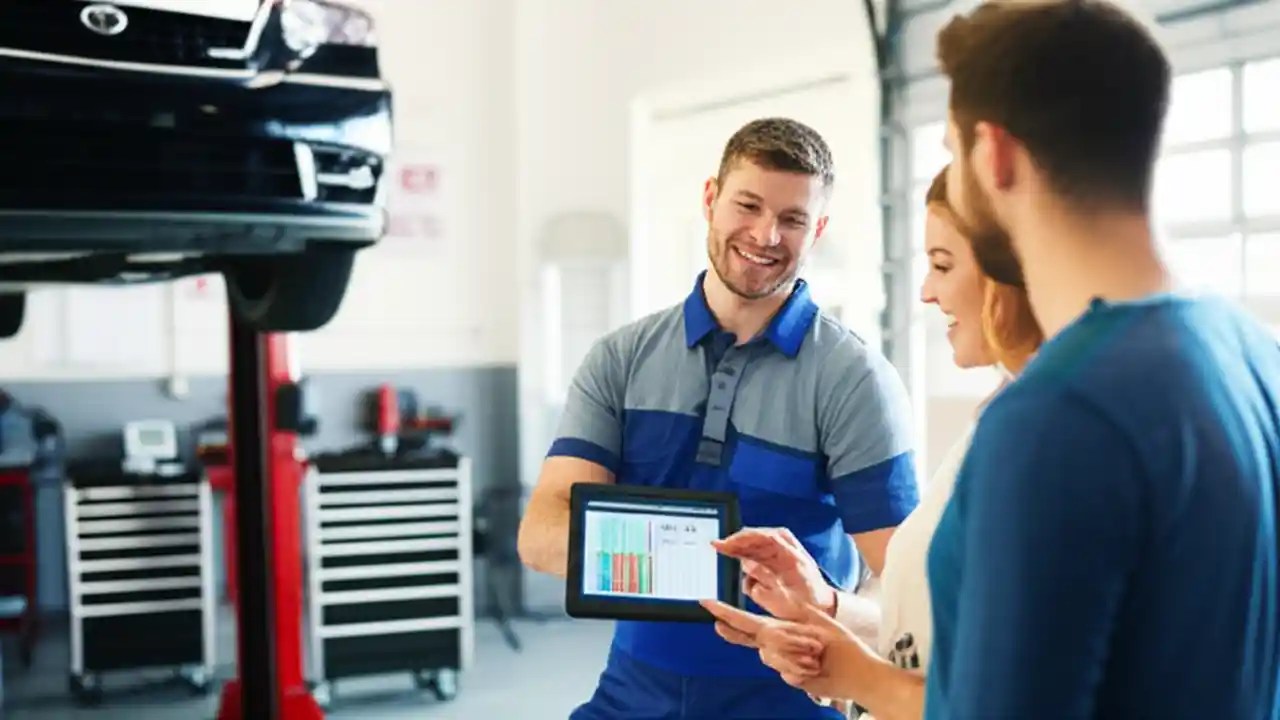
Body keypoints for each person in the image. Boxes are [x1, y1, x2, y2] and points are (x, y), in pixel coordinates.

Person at [516, 116, 921, 720]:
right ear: (711, 199)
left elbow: (906, 589)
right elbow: (542, 535)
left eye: (792, 219)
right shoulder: (621, 360)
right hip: (631, 693)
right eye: (748, 205)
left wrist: (826, 611)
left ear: (819, 230)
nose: (765, 234)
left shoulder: (855, 380)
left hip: (789, 699)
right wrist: (705, 563)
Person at [701, 164, 1043, 719]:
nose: (927, 292)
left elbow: (1011, 697)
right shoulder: (996, 420)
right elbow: (931, 643)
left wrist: (856, 676)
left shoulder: (1046, 441)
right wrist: (826, 606)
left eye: (941, 264)